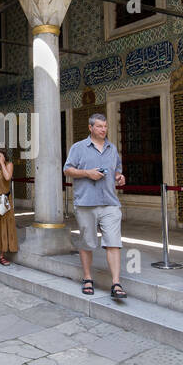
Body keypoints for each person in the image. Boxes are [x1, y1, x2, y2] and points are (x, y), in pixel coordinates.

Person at [63, 113, 127, 299]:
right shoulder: (78, 148)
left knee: (114, 242)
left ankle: (116, 283)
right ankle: (88, 277)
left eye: (105, 126)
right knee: (88, 243)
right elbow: (67, 169)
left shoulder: (112, 148)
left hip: (110, 203)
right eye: (99, 126)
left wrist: (119, 177)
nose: (103, 130)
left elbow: (118, 170)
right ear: (90, 128)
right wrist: (86, 173)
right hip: (86, 203)